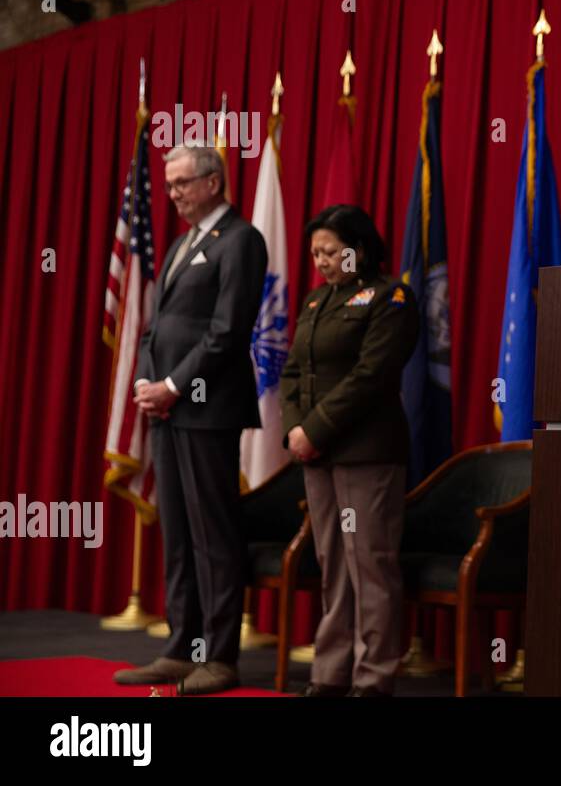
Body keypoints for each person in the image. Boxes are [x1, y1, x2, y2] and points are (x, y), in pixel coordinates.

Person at [115, 142, 268, 695]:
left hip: (206, 408)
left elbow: (228, 331)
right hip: (165, 410)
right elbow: (156, 327)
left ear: (213, 182)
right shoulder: (183, 243)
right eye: (170, 183)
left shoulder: (242, 240)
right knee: (177, 533)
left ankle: (219, 656)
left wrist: (174, 385)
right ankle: (183, 648)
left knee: (213, 535)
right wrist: (143, 383)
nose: (173, 192)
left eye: (181, 183)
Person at [279, 205, 418, 697]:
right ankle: (331, 671)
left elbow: (371, 376)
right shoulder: (318, 302)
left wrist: (313, 430)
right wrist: (295, 429)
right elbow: (293, 372)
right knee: (332, 562)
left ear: (357, 249)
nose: (320, 260)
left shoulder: (390, 298)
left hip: (366, 454)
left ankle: (374, 676)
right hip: (318, 456)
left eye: (331, 251)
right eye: (315, 251)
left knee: (369, 562)